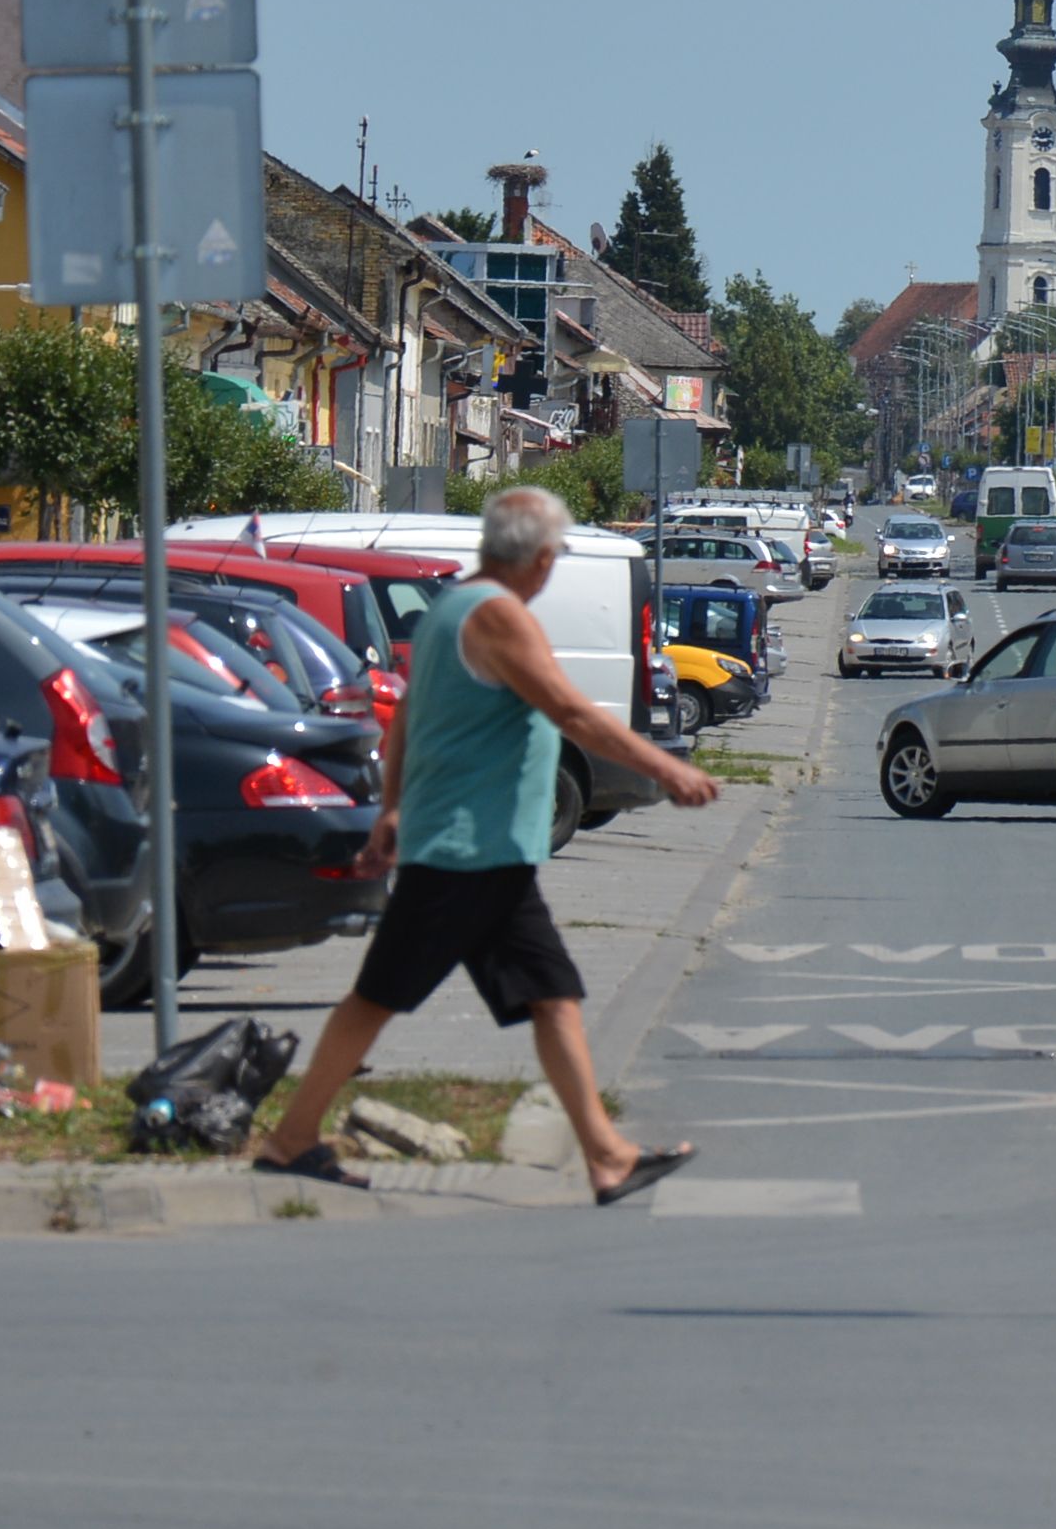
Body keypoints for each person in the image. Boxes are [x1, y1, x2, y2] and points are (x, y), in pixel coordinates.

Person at [253, 486, 718, 1200]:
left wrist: (393, 808)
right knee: (380, 997)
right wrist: (664, 768)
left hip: (484, 849)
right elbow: (566, 708)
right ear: (535, 557)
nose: (554, 567)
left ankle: (604, 1154)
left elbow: (408, 710)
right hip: (468, 851)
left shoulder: (450, 608)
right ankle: (291, 1138)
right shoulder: (499, 616)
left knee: (551, 995)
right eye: (555, 555)